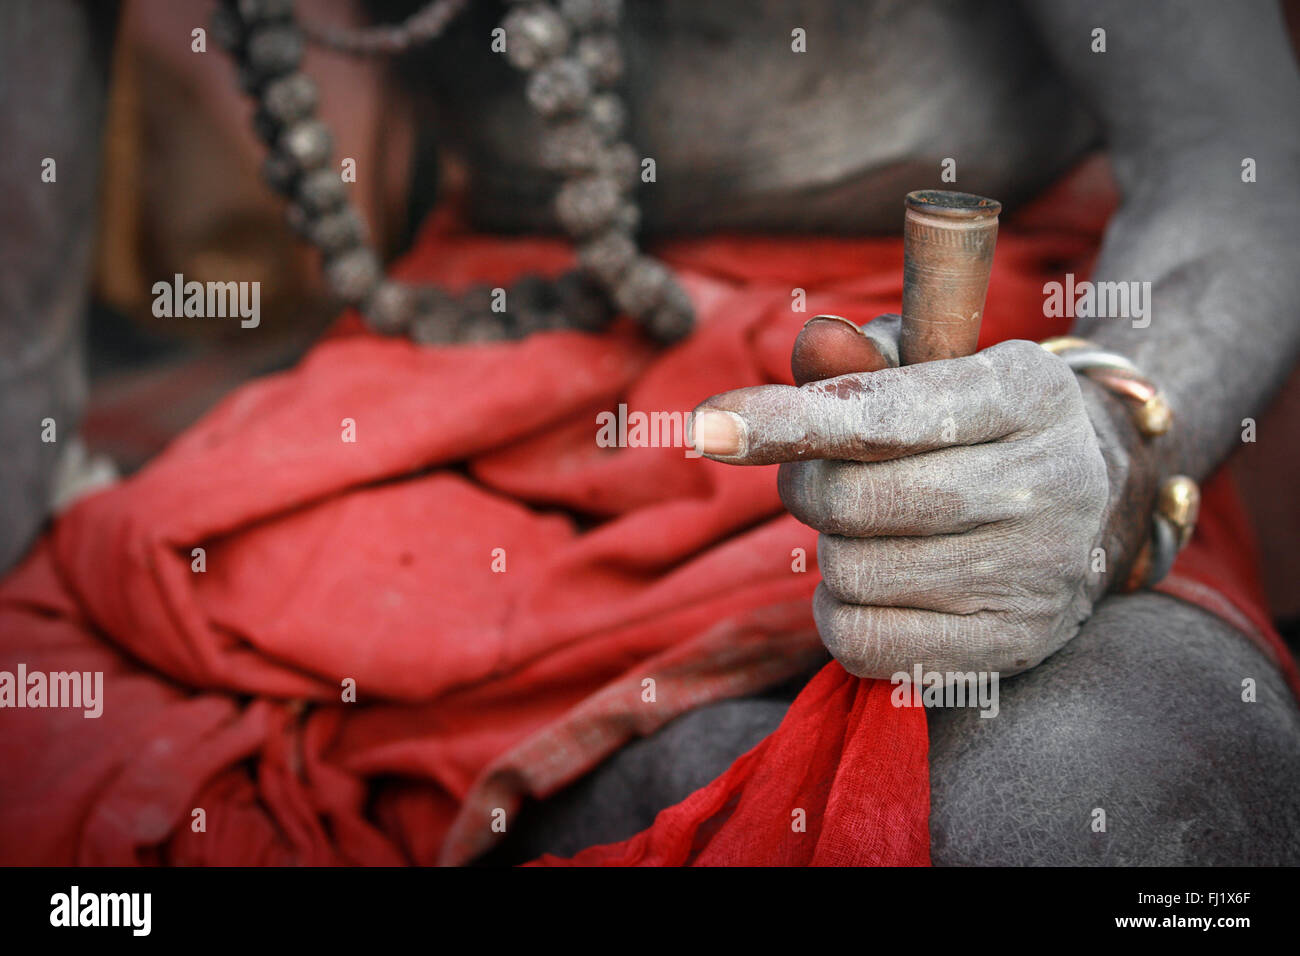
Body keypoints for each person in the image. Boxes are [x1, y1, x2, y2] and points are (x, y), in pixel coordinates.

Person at [1, 0, 1297, 865]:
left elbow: (1243, 160)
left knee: (1114, 777)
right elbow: (15, 321)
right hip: (461, 377)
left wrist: (1110, 442)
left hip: (976, 363)